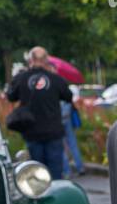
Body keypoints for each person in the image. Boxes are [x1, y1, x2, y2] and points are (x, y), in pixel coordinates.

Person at [5, 47, 71, 178]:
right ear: (46, 60)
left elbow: (11, 96)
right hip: (53, 132)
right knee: (56, 173)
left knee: (37, 173)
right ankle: (56, 196)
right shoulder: (56, 79)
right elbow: (68, 96)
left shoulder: (22, 78)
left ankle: (40, 197)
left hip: (32, 131)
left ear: (31, 60)